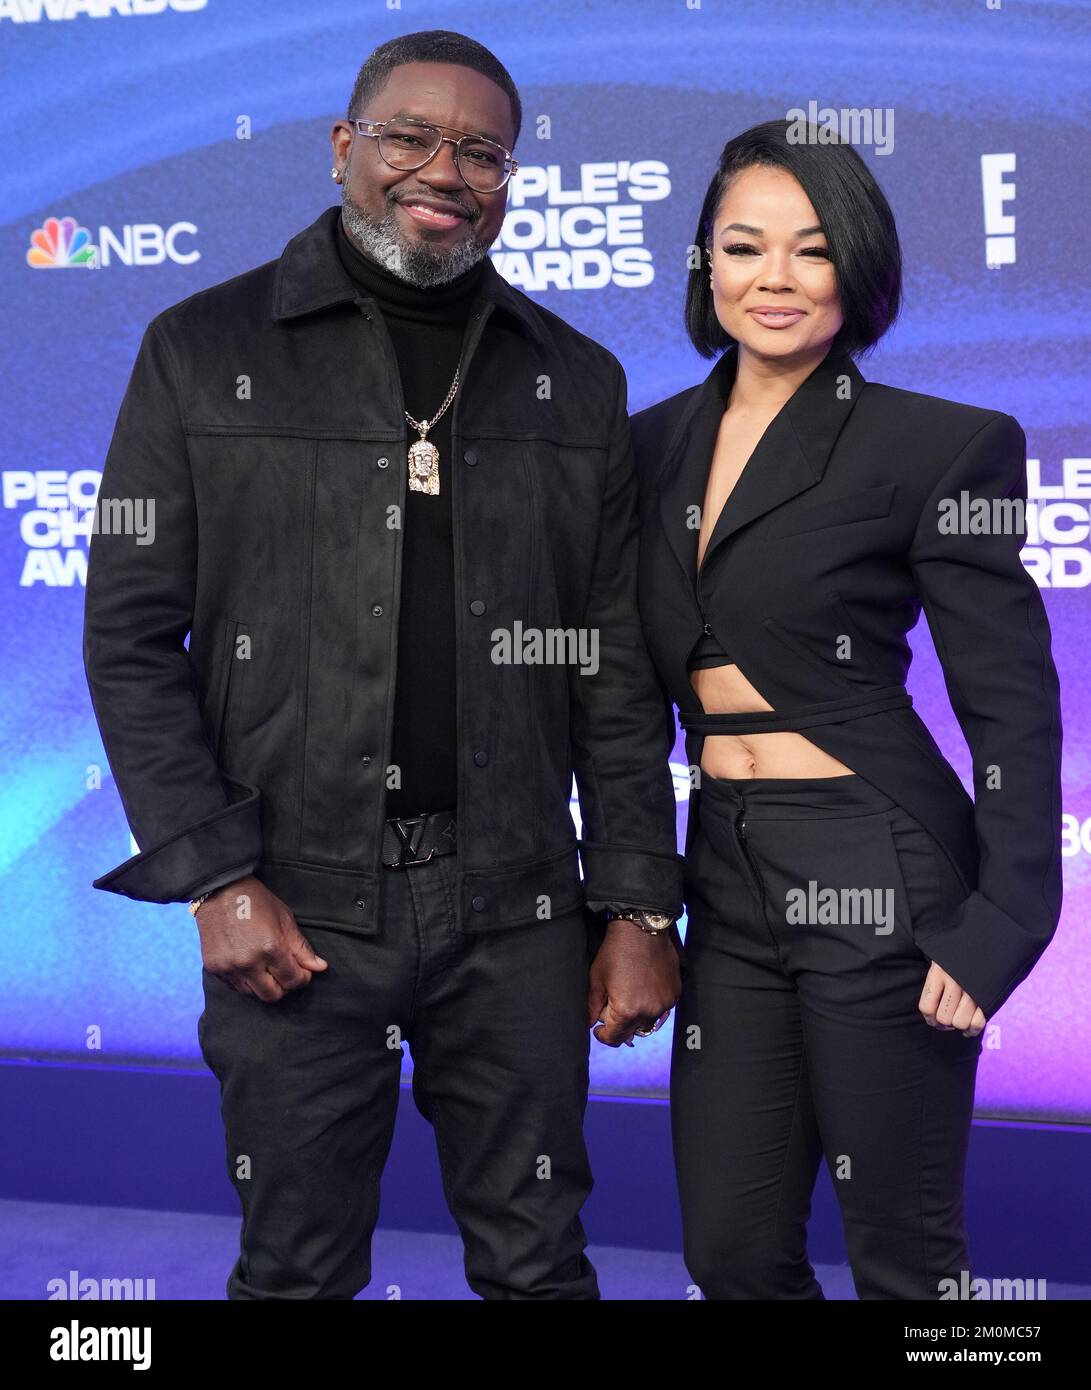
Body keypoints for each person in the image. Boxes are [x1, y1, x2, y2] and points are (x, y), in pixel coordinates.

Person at [83, 29, 684, 1301]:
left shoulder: (573, 383)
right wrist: (215, 877)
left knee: (539, 1265)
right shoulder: (200, 348)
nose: (444, 170)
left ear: (508, 178)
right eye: (411, 135)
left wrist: (636, 904)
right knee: (294, 1268)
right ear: (345, 146)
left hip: (516, 908)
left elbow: (612, 675)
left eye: (481, 150)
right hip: (293, 906)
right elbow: (131, 638)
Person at [630, 119, 1062, 1300]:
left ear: (856, 269)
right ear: (702, 264)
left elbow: (1008, 703)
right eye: (742, 246)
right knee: (730, 1251)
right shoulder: (642, 449)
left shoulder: (938, 445)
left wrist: (1005, 917)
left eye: (809, 250)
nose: (772, 278)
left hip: (882, 869)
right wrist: (626, 904)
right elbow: (614, 692)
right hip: (723, 876)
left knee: (905, 1257)